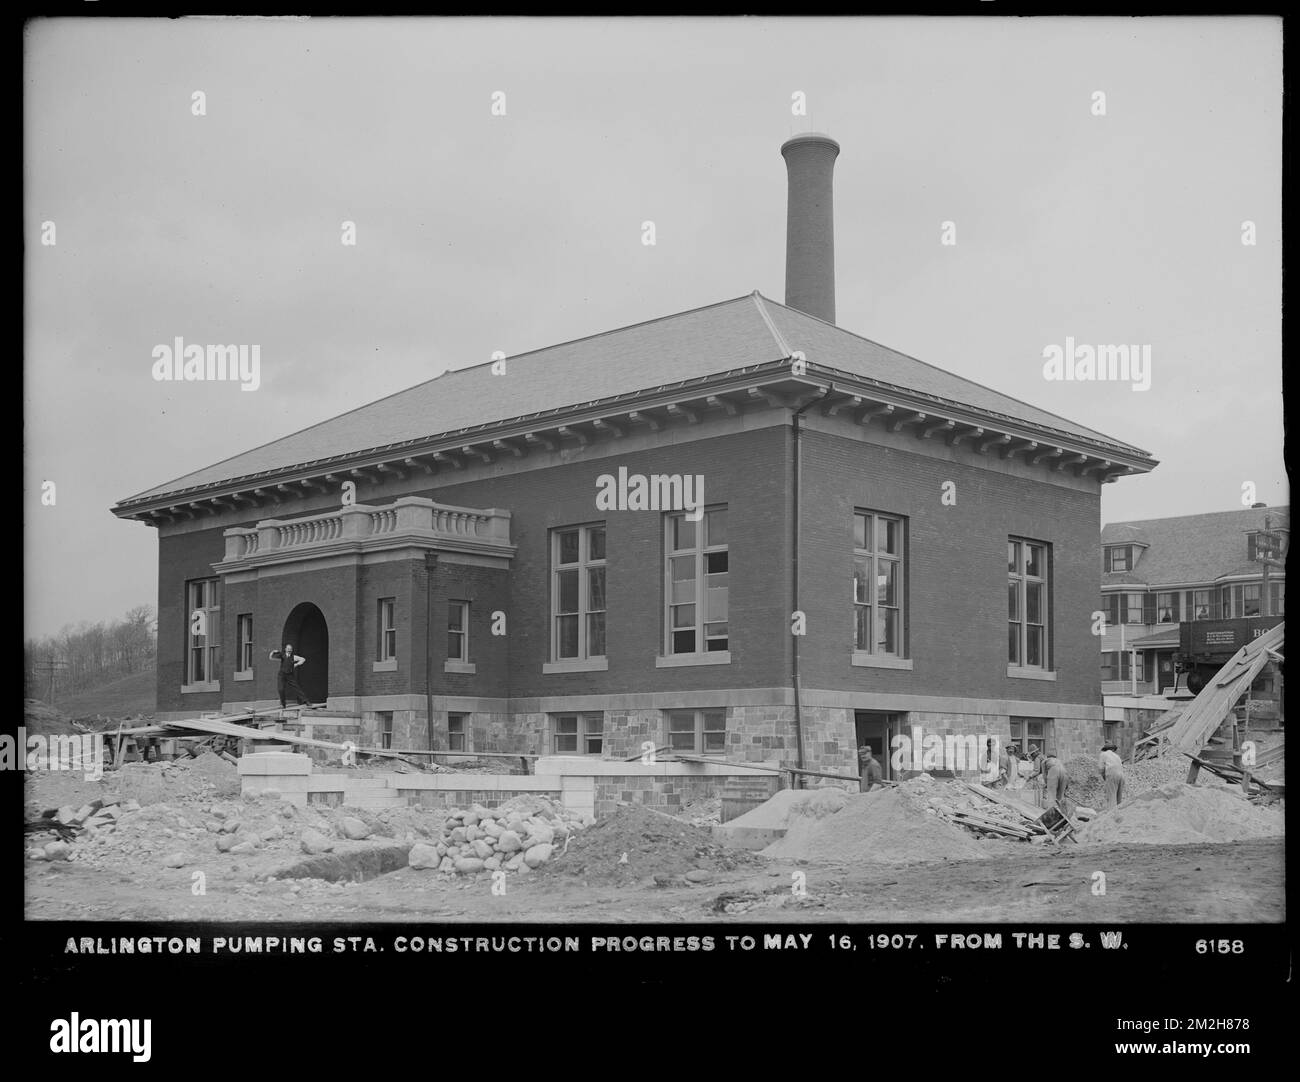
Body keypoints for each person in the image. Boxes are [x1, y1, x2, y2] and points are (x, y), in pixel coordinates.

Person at [269, 643, 311, 711]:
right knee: (281, 689)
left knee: (297, 688)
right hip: (282, 675)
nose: (289, 650)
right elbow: (271, 658)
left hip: (290, 675)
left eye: (290, 649)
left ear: (291, 650)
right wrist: (273, 652)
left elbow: (303, 659)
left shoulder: (293, 657)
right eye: (288, 649)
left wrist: (296, 664)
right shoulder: (282, 655)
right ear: (285, 649)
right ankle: (283, 704)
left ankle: (306, 701)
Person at [1099, 743, 1125, 809]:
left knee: (1111, 798)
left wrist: (1105, 778)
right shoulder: (1117, 756)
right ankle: (1120, 813)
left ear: (1105, 749)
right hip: (1121, 775)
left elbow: (1101, 769)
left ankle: (1112, 816)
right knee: (1119, 798)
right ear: (1113, 749)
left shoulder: (1103, 754)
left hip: (1112, 774)